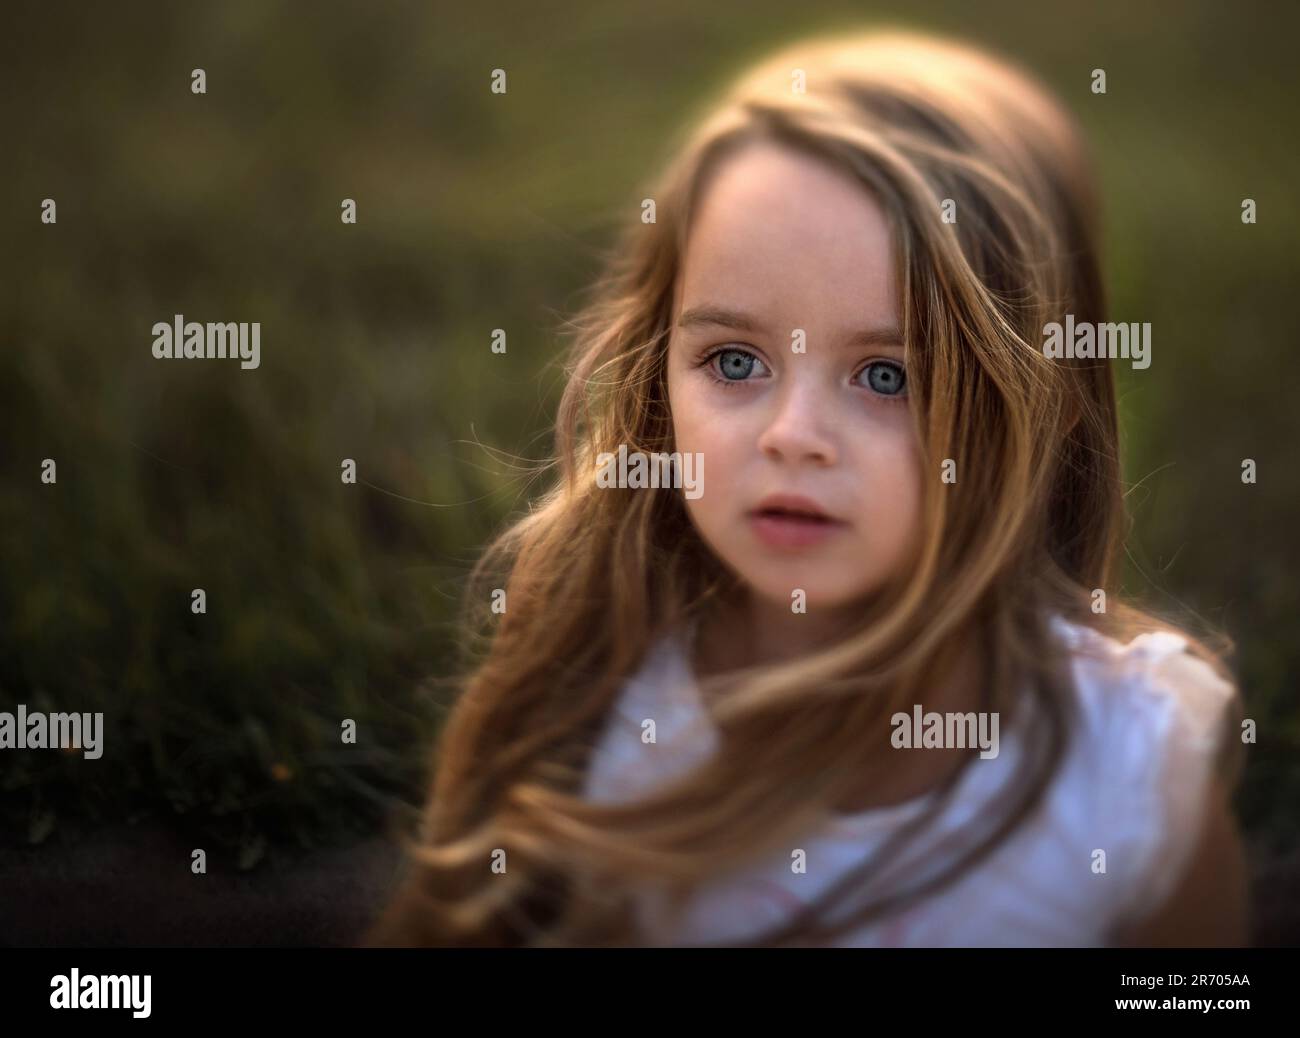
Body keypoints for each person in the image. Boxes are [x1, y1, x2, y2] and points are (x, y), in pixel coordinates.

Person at [365, 29, 1248, 948]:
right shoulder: (605, 661)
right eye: (735, 360)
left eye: (886, 378)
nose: (792, 438)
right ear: (655, 375)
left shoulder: (1126, 764)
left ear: (1038, 402)